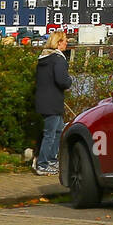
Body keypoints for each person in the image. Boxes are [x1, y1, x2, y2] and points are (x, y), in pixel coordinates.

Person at [33, 31, 70, 175]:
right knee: (51, 134)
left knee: (58, 130)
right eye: (65, 41)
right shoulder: (58, 59)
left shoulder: (43, 59)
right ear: (59, 42)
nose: (67, 43)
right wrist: (69, 81)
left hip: (44, 100)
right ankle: (42, 163)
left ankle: (52, 160)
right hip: (53, 101)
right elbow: (62, 80)